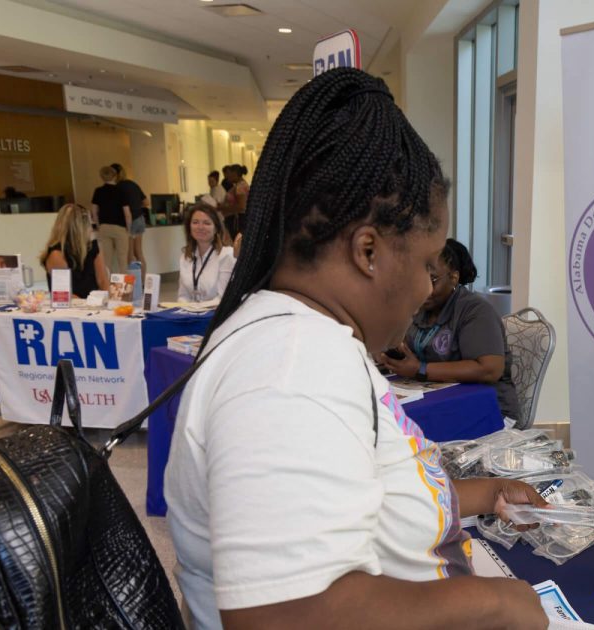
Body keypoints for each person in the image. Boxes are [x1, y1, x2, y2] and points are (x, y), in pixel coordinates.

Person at [164, 68, 548, 630]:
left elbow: (375, 492)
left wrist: (485, 493)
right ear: (368, 250)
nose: (425, 289)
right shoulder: (291, 367)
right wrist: (497, 602)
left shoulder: (313, 342)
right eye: (424, 264)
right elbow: (289, 617)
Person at [377, 238, 522, 421]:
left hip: (489, 410)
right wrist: (391, 354)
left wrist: (420, 369)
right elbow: (409, 347)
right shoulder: (422, 307)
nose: (424, 288)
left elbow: (490, 369)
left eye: (433, 280)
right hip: (438, 401)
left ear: (453, 277)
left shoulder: (475, 311)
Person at [39, 204, 107, 298]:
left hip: (93, 303)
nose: (91, 227)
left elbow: (102, 280)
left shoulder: (92, 247)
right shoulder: (57, 255)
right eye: (89, 223)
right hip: (72, 307)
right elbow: (64, 294)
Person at [177, 205, 235, 302]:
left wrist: (197, 309)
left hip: (215, 314)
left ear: (216, 228)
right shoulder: (185, 257)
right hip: (191, 313)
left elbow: (222, 298)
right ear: (189, 227)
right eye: (195, 222)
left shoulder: (226, 255)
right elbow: (182, 296)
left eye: (207, 223)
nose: (200, 227)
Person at [90, 165, 130, 273]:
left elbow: (94, 210)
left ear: (102, 177)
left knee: (107, 261)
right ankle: (125, 288)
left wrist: (98, 225)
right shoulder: (121, 191)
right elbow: (127, 212)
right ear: (115, 176)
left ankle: (107, 286)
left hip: (104, 227)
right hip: (119, 228)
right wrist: (128, 228)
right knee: (122, 260)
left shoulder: (98, 191)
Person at [112, 163, 149, 272]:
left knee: (130, 254)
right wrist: (136, 205)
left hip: (129, 221)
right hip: (140, 219)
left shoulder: (117, 188)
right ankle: (142, 283)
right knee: (139, 252)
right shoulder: (132, 184)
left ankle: (134, 285)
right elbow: (146, 202)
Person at [217, 163, 249, 239]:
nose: (227, 176)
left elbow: (241, 207)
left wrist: (223, 208)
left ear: (235, 174)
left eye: (229, 174)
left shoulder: (240, 186)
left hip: (237, 221)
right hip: (235, 220)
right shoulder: (238, 185)